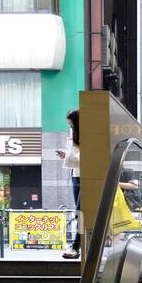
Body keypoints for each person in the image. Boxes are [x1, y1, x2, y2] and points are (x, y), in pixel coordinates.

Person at [58, 109, 82, 259]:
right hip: (76, 175)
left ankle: (76, 247)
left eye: (72, 126)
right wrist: (66, 156)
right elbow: (76, 158)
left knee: (81, 213)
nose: (71, 129)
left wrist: (69, 157)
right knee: (80, 212)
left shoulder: (88, 136)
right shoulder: (75, 136)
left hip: (88, 177)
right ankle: (78, 247)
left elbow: (84, 158)